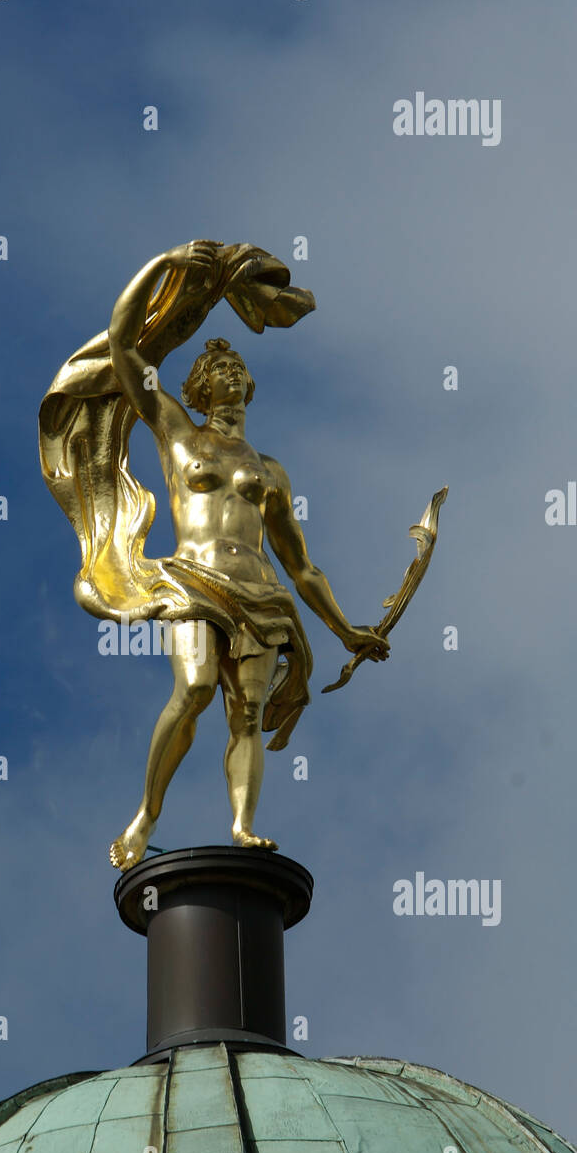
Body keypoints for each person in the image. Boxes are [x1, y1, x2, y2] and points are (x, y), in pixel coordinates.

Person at [106, 240, 390, 870]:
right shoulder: (179, 435)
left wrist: (346, 631)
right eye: (218, 373)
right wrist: (168, 266)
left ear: (250, 388)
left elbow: (301, 565)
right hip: (195, 581)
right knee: (196, 688)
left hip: (262, 592)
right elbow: (124, 347)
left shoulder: (271, 472)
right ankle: (147, 812)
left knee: (248, 715)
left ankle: (242, 825)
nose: (229, 376)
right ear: (199, 390)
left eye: (237, 372)